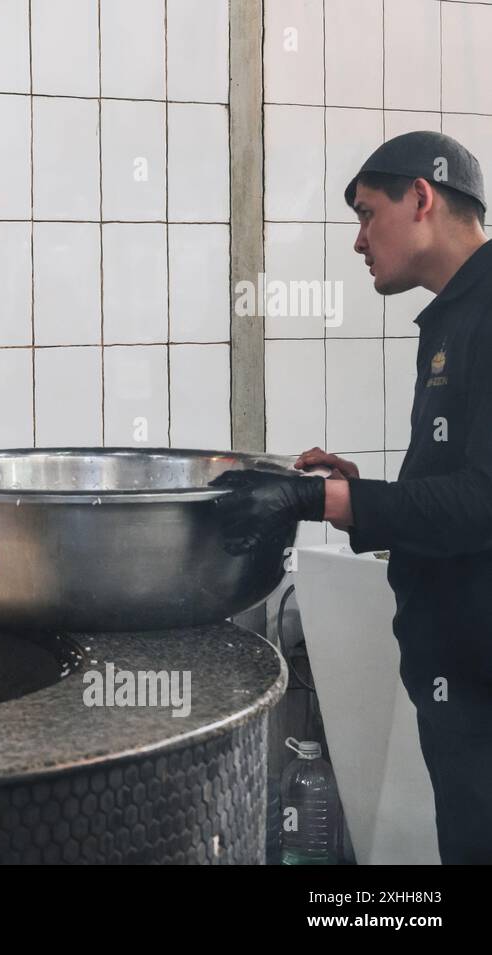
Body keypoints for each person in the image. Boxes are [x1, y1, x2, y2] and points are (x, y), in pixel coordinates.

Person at [212, 131, 492, 863]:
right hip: (460, 674)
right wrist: (358, 491)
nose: (359, 241)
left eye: (368, 215)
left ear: (422, 199)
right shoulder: (456, 314)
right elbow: (454, 500)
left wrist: (321, 500)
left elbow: (483, 503)